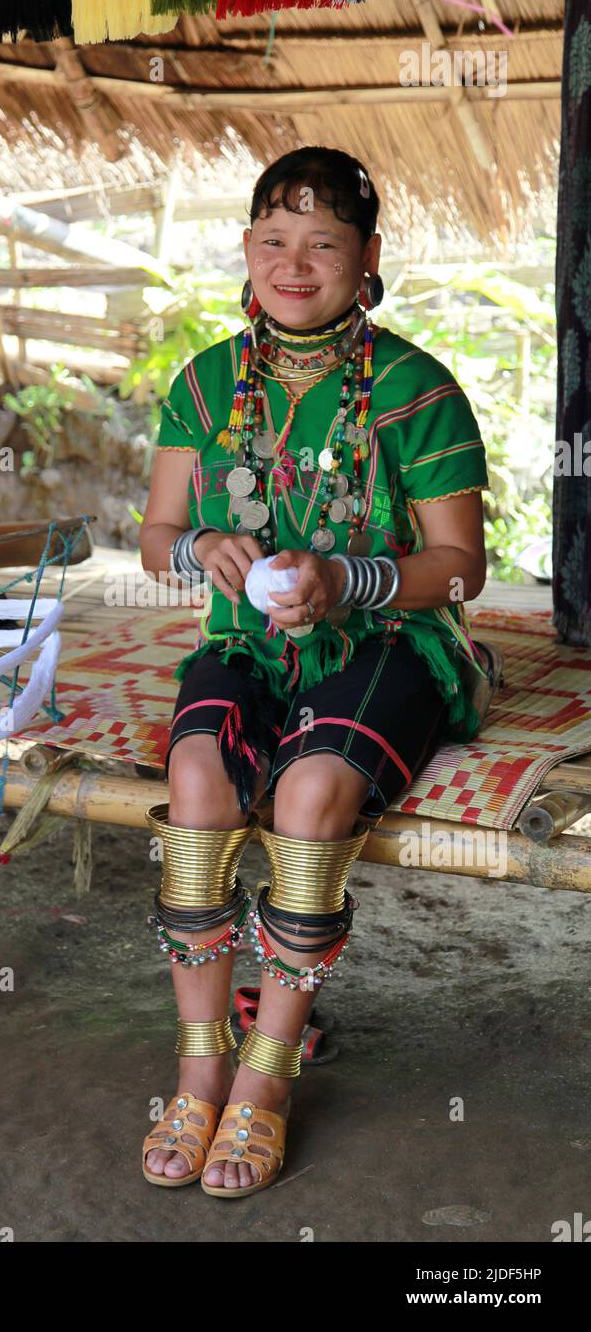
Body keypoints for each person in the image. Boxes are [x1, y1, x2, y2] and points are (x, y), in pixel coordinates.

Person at [137, 146, 490, 1199]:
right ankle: (198, 1066)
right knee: (198, 776)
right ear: (246, 250)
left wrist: (349, 577)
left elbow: (459, 567)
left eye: (322, 242)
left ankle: (264, 1077)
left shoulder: (414, 389)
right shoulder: (204, 382)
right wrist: (200, 549)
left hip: (388, 642)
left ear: (366, 256)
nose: (294, 263)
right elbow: (156, 534)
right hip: (250, 646)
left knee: (306, 789)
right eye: (273, 239)